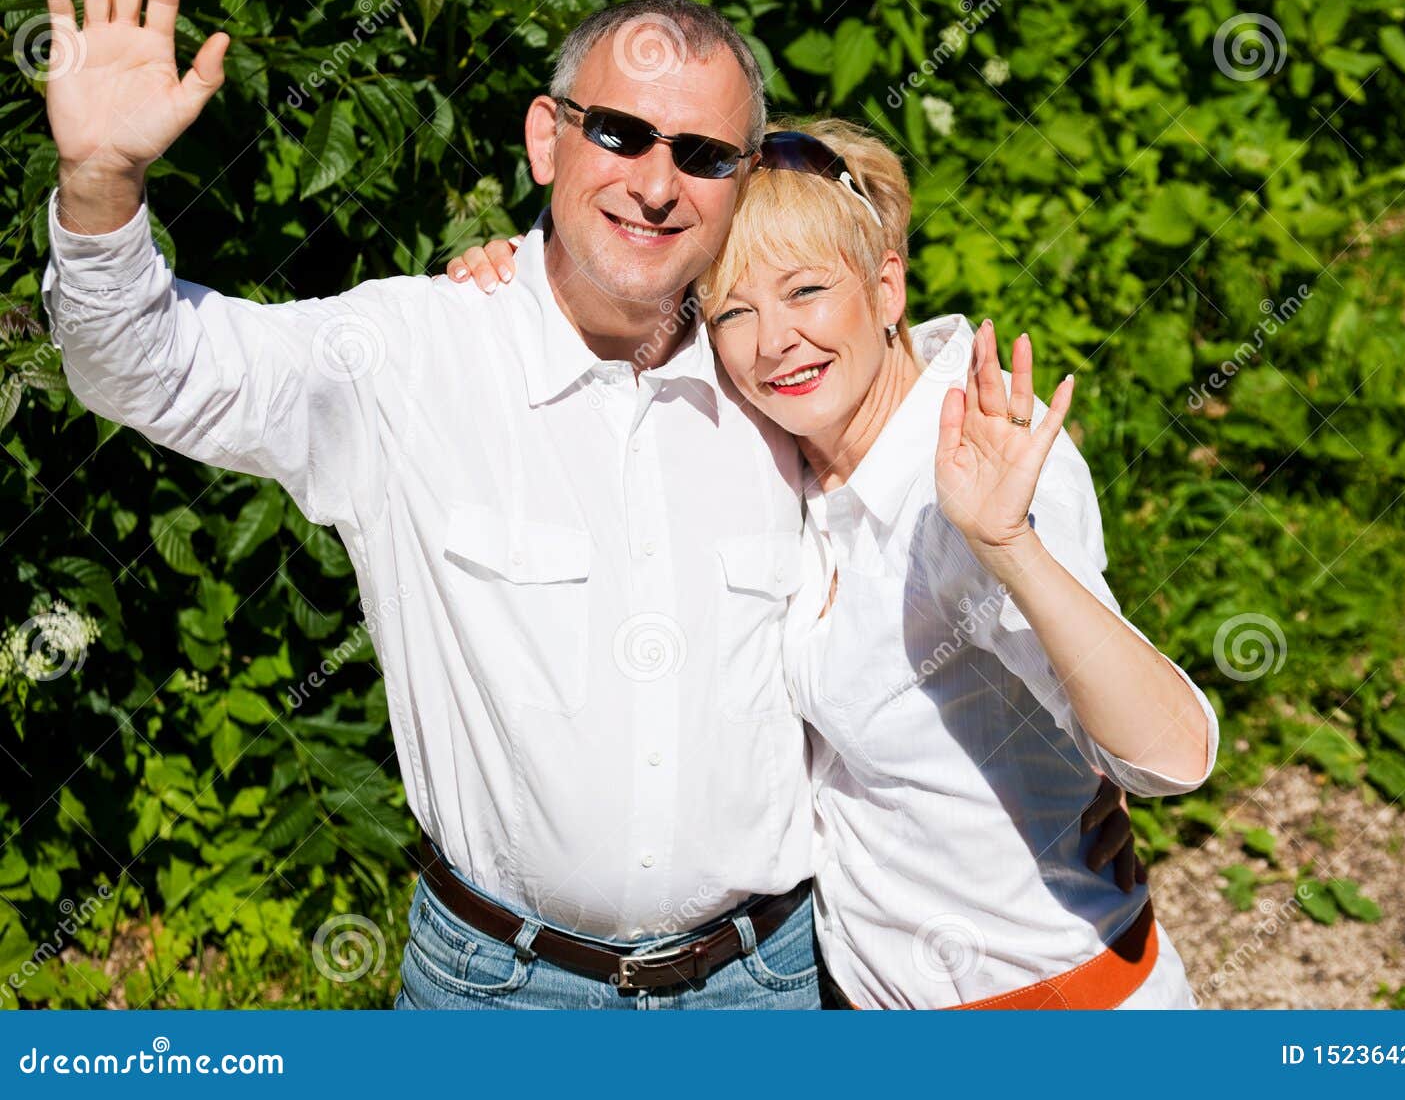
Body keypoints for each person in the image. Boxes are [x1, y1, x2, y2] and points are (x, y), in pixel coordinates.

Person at [36, 0, 1142, 1009]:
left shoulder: (776, 380)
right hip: (496, 989)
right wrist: (99, 184)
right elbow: (148, 367)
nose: (657, 184)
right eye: (618, 132)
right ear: (545, 139)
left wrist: (1063, 777)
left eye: (704, 155)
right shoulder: (412, 355)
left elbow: (912, 437)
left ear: (737, 184)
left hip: (767, 985)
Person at [450, 118, 1218, 1008]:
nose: (773, 339)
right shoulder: (781, 456)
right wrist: (523, 283)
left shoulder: (977, 459)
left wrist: (1011, 546)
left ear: (886, 286)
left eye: (806, 290)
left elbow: (1172, 756)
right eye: (734, 309)